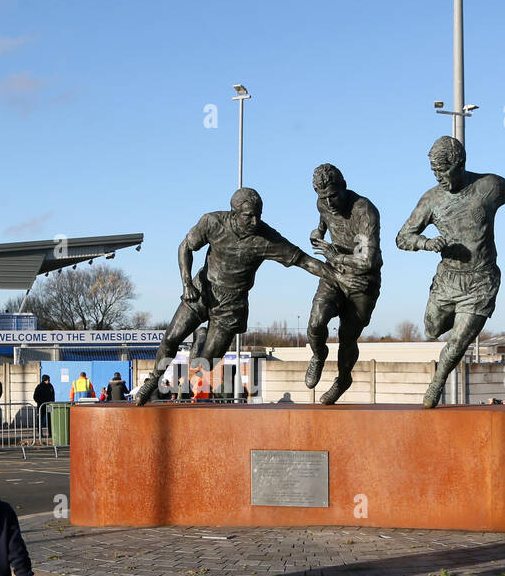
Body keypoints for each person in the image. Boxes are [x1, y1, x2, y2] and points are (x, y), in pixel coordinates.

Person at [396, 135, 505, 407]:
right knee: (431, 328)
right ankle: (444, 320)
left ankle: (437, 383)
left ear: (460, 163)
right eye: (434, 171)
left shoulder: (489, 186)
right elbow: (402, 237)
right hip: (447, 280)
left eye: (443, 170)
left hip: (481, 281)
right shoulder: (431, 200)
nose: (439, 177)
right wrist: (426, 243)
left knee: (456, 344)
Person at [132, 187, 338, 405]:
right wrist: (186, 284)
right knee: (171, 338)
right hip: (203, 289)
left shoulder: (267, 238)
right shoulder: (212, 222)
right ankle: (153, 381)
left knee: (206, 363)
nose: (255, 221)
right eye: (249, 216)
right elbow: (185, 247)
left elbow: (303, 260)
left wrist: (336, 275)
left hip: (232, 303)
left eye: (259, 215)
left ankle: (201, 337)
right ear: (234, 213)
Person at [303, 164, 383, 404]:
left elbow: (366, 260)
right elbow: (323, 224)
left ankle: (343, 378)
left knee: (347, 337)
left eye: (333, 196)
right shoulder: (322, 204)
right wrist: (317, 233)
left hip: (363, 281)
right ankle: (318, 355)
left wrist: (333, 254)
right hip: (334, 274)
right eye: (323, 197)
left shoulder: (365, 211)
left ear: (344, 187)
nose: (328, 203)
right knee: (317, 321)